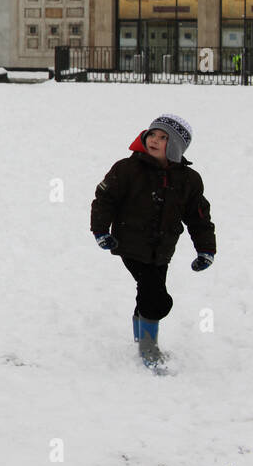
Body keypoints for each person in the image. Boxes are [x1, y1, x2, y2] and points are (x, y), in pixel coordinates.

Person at [90, 113, 216, 367]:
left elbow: (198, 216)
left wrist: (205, 249)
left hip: (163, 248)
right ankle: (149, 349)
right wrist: (101, 231)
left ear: (177, 147)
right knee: (156, 299)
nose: (154, 141)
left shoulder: (189, 180)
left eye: (163, 137)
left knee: (147, 292)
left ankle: (141, 337)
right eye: (152, 135)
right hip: (129, 243)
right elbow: (105, 200)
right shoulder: (127, 168)